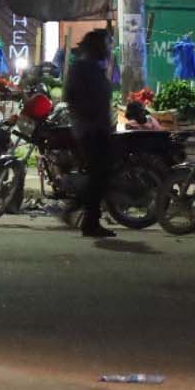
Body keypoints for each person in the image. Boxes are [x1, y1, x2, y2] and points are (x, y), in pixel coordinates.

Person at [63, 28, 115, 238]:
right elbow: (71, 97)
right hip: (89, 130)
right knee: (99, 175)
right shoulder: (81, 67)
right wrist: (91, 114)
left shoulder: (93, 67)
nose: (108, 49)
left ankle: (88, 218)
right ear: (96, 47)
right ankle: (82, 214)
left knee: (101, 175)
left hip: (98, 127)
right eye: (105, 44)